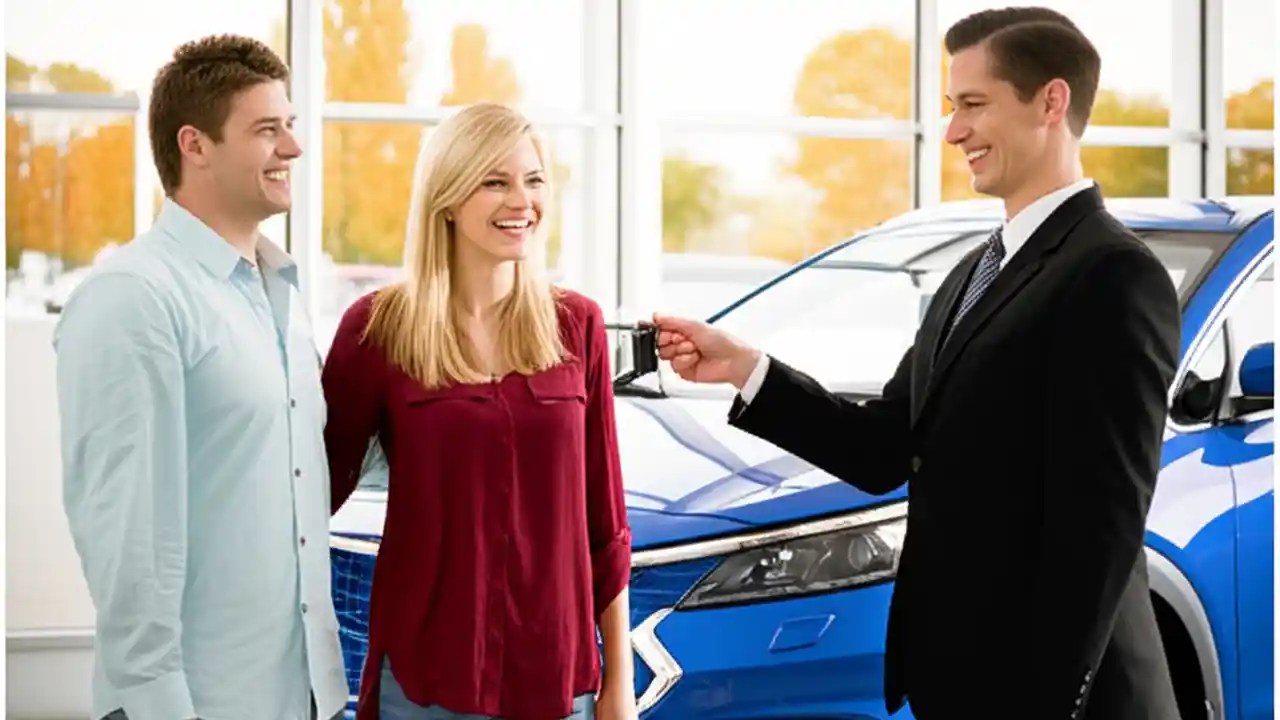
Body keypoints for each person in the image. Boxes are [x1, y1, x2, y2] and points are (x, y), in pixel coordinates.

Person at [654, 8, 1182, 719]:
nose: (954, 130)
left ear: (1051, 102)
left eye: (974, 105)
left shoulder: (1114, 276)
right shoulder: (973, 273)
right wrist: (746, 368)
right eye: (951, 107)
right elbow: (886, 447)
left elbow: (1101, 525)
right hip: (960, 683)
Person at [54, 35, 347, 720]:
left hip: (305, 696)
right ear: (195, 145)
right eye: (267, 130)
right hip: (200, 704)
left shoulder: (282, 295)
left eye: (292, 127)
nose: (294, 150)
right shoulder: (134, 298)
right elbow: (130, 541)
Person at [322, 102, 635, 720]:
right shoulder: (378, 329)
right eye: (495, 181)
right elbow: (309, 495)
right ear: (447, 197)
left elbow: (605, 520)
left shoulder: (577, 325)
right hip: (424, 678)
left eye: (533, 179)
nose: (521, 201)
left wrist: (618, 683)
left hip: (555, 678)